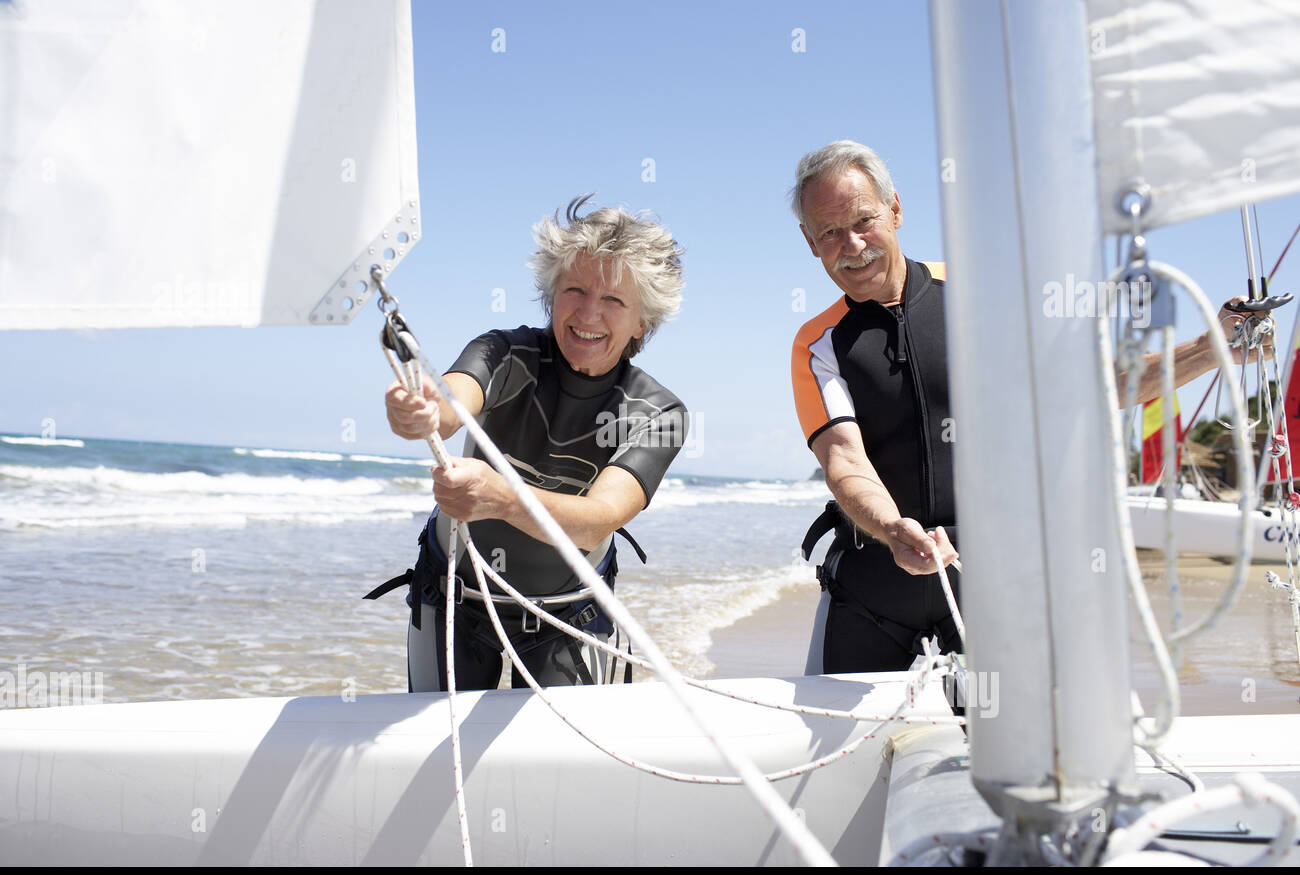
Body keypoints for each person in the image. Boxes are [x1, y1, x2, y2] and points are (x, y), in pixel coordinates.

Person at [788, 140, 1269, 676]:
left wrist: (1211, 349)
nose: (852, 245)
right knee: (839, 747)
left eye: (864, 221)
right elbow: (845, 462)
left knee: (1013, 751)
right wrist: (894, 528)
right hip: (874, 582)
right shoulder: (819, 343)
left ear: (895, 209)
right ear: (810, 242)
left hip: (993, 579)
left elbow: (1090, 386)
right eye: (829, 232)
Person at [375, 197, 688, 692]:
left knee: (561, 762)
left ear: (642, 323)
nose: (588, 312)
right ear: (551, 294)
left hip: (569, 615)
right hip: (455, 596)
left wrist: (502, 499)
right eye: (575, 289)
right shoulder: (502, 353)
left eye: (613, 300)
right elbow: (452, 402)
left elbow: (600, 520)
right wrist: (423, 412)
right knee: (436, 754)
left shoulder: (659, 413)